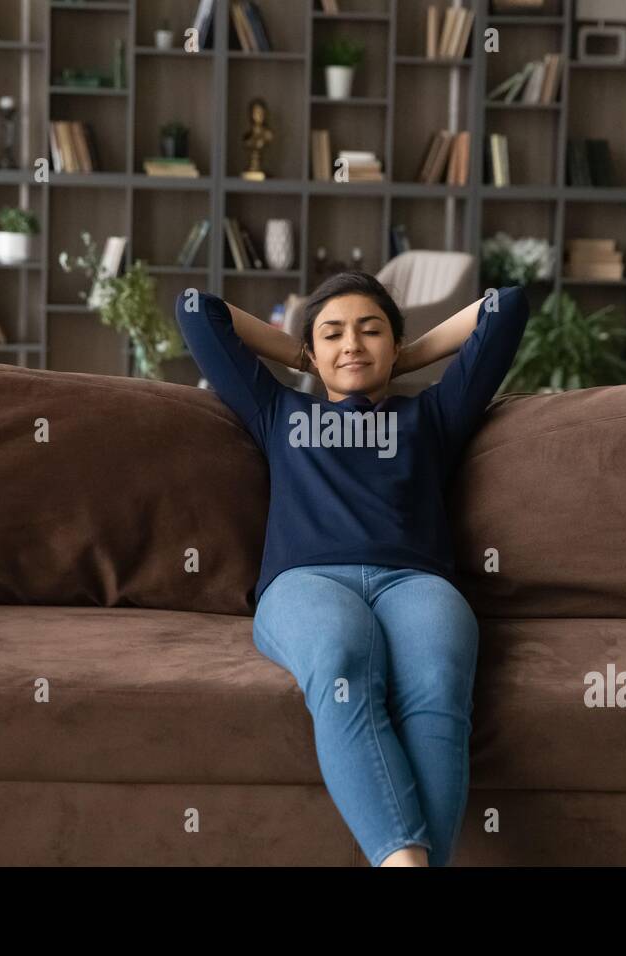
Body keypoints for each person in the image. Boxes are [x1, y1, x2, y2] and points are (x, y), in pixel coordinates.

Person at [174, 271, 530, 867]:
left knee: (440, 682)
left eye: (371, 332)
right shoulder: (277, 410)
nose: (353, 345)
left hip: (415, 583)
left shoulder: (433, 416)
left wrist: (407, 356)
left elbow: (507, 307)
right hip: (306, 582)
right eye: (334, 334)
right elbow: (195, 309)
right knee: (341, 659)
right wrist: (304, 354)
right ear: (314, 351)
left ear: (395, 343)